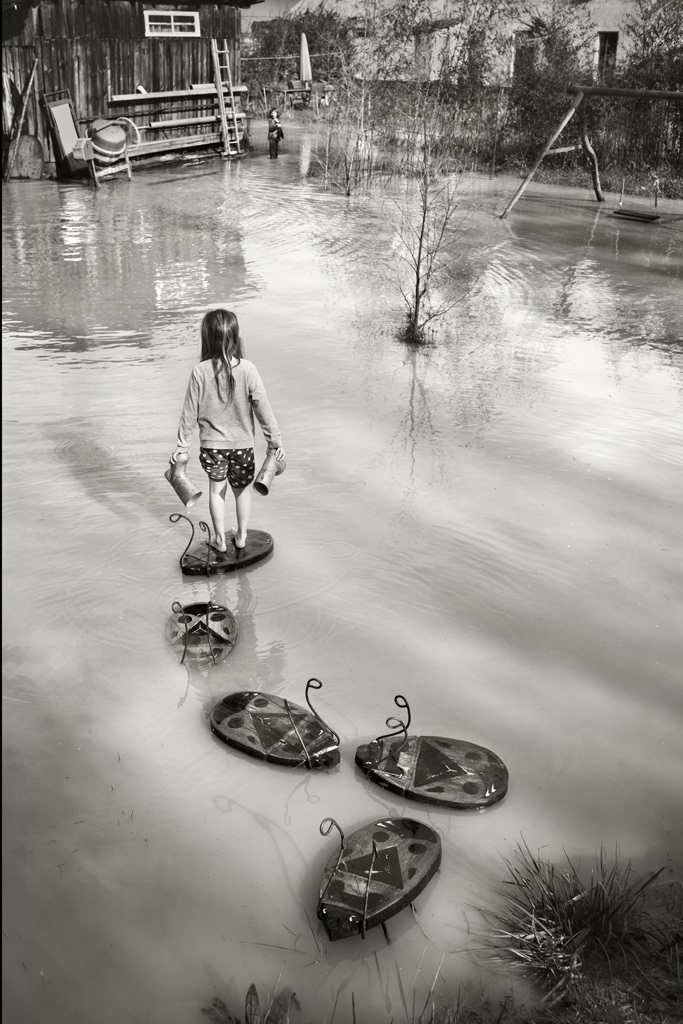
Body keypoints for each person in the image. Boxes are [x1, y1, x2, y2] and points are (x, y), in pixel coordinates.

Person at [170, 309, 285, 555]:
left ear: (207, 338)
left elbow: (188, 414)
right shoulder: (248, 369)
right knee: (241, 491)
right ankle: (242, 536)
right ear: (235, 337)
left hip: (212, 447)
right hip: (242, 447)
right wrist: (275, 442)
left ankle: (220, 540)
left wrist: (181, 448)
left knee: (216, 490)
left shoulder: (199, 371)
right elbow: (263, 409)